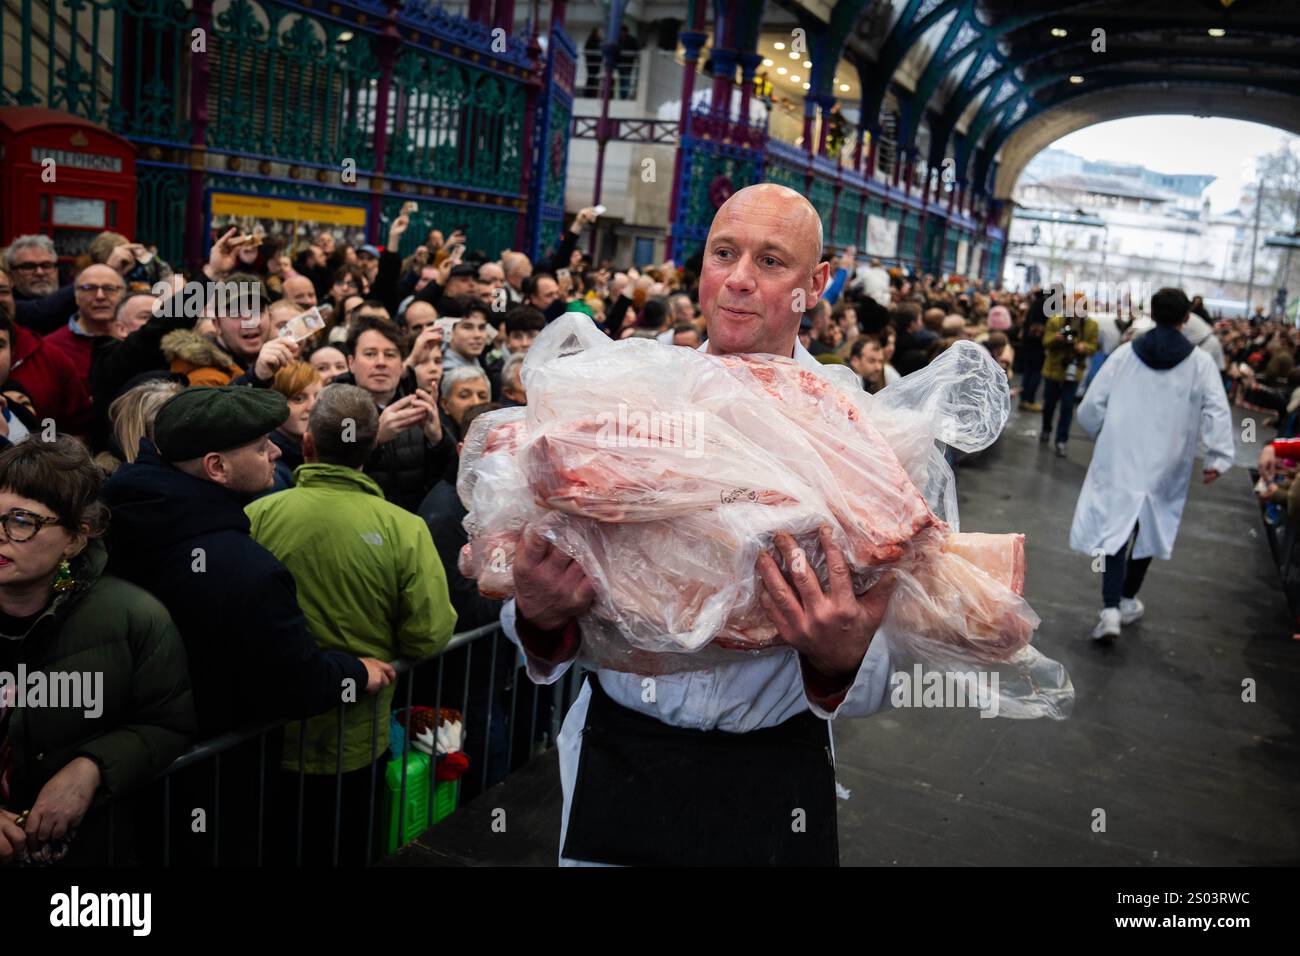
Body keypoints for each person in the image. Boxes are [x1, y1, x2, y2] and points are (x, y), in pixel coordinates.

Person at [505, 183, 896, 866]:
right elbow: (535, 586)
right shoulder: (621, 399)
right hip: (621, 757)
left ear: (818, 282)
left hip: (774, 771)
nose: (740, 281)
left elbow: (882, 662)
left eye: (772, 261)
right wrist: (537, 616)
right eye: (724, 253)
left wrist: (842, 659)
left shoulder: (858, 434)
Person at [101, 386, 391, 737]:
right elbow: (295, 683)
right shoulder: (247, 571)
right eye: (260, 446)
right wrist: (357, 673)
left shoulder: (130, 512)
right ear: (217, 466)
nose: (276, 451)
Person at [247, 384, 455, 865]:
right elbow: (429, 633)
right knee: (344, 845)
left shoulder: (257, 516)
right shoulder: (403, 528)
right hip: (354, 739)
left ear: (308, 444)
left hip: (268, 734)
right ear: (372, 446)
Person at [0, 437, 195, 865]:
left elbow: (167, 723)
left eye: (21, 521)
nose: (1, 536)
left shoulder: (134, 619)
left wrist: (92, 767)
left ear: (74, 538)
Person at [1069, 288, 1235, 642]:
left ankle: (1110, 608)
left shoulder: (1125, 354)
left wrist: (1098, 431)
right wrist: (1218, 457)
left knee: (1115, 526)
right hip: (1169, 459)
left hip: (1121, 453)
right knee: (1150, 526)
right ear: (1186, 318)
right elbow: (1217, 409)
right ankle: (1128, 598)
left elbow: (1092, 403)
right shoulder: (1201, 364)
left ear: (1151, 313)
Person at [334, 313, 456, 512]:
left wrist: (438, 439)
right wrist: (375, 439)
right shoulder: (339, 409)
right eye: (370, 354)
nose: (381, 362)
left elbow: (450, 477)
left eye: (390, 355)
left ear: (402, 364)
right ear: (351, 363)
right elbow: (335, 469)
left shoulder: (417, 403)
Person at [1040, 293, 1098, 457]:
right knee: (1049, 404)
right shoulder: (1055, 321)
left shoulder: (1091, 325)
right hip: (1053, 369)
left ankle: (1061, 441)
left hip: (1074, 371)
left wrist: (1082, 347)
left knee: (1067, 407)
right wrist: (1056, 338)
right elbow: (1045, 342)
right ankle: (1046, 429)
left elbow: (1093, 347)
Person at [266, 361, 322, 492]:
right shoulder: (270, 468)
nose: (313, 406)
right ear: (274, 405)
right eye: (298, 399)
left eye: (319, 397)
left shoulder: (324, 448)